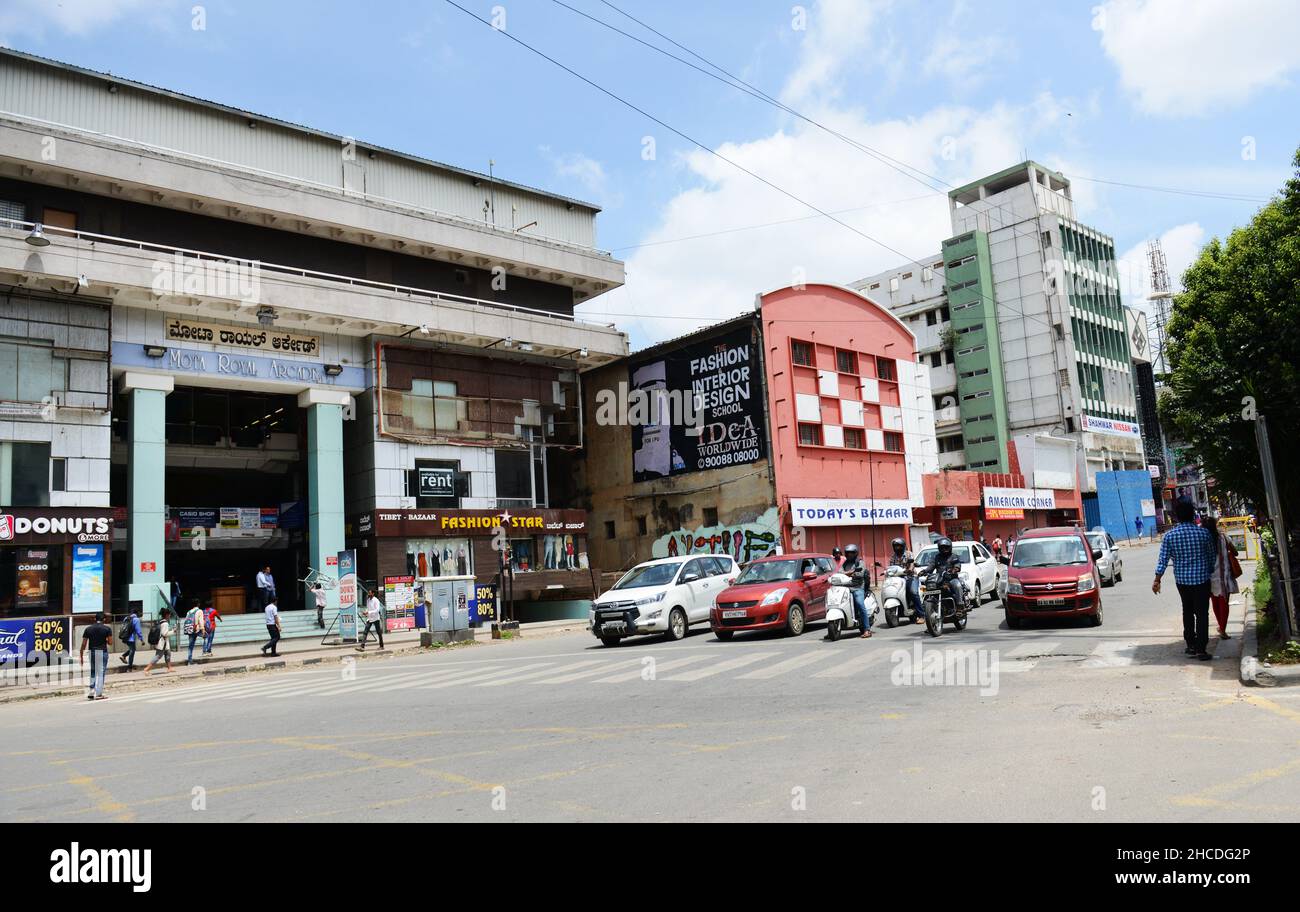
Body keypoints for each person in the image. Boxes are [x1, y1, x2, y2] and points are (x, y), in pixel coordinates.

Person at [1154, 498, 1217, 660]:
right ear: (1193, 515)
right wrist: (1208, 570)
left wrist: (1157, 579)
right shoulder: (1204, 533)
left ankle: (1190, 645)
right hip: (1202, 579)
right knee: (1202, 613)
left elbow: (1163, 560)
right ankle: (1201, 649)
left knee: (1187, 611)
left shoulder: (1170, 536)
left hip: (1182, 581)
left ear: (1176, 517)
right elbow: (1211, 557)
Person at [1204, 515, 1239, 640]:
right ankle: (1223, 629)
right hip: (1224, 575)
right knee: (1224, 602)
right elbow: (1235, 552)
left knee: (1215, 602)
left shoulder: (1203, 538)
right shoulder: (1224, 537)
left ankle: (1221, 626)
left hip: (1209, 575)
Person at [80, 612, 113, 700]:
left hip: (92, 652)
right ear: (104, 619)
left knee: (93, 671)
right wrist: (105, 640)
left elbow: (83, 644)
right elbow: (110, 643)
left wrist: (81, 655)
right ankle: (98, 694)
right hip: (103, 652)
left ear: (95, 619)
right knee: (101, 673)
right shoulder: (107, 629)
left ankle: (91, 691)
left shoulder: (88, 629)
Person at [841, 544, 872, 639]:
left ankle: (867, 629)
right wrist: (850, 572)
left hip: (857, 587)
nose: (849, 555)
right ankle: (833, 629)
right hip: (845, 587)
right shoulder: (845, 563)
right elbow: (839, 572)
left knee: (860, 604)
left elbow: (860, 573)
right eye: (848, 553)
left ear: (855, 553)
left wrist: (848, 573)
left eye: (851, 553)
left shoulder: (860, 562)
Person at [887, 537, 921, 623]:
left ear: (903, 546)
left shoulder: (909, 554)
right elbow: (891, 568)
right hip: (898, 579)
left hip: (911, 577)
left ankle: (921, 614)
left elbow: (912, 564)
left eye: (899, 546)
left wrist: (909, 569)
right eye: (895, 546)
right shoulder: (892, 557)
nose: (897, 548)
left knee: (913, 592)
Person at [931, 537, 967, 615]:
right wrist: (924, 571)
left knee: (957, 586)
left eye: (946, 547)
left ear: (950, 547)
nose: (944, 549)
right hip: (940, 579)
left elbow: (957, 564)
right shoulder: (937, 557)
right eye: (942, 548)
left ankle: (960, 606)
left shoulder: (954, 556)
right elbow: (931, 566)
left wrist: (955, 569)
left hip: (952, 578)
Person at [143, 609, 174, 675]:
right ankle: (147, 669)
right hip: (163, 643)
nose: (170, 616)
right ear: (167, 615)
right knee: (158, 656)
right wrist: (173, 631)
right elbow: (164, 634)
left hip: (163, 642)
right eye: (169, 614)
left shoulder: (160, 621)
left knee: (168, 654)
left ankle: (169, 668)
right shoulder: (165, 623)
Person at [183, 598, 206, 665]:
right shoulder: (199, 611)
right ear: (198, 604)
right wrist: (203, 629)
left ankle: (190, 660)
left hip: (190, 629)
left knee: (190, 645)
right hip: (196, 629)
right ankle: (190, 661)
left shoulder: (189, 611)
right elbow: (201, 621)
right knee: (206, 636)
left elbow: (186, 620)